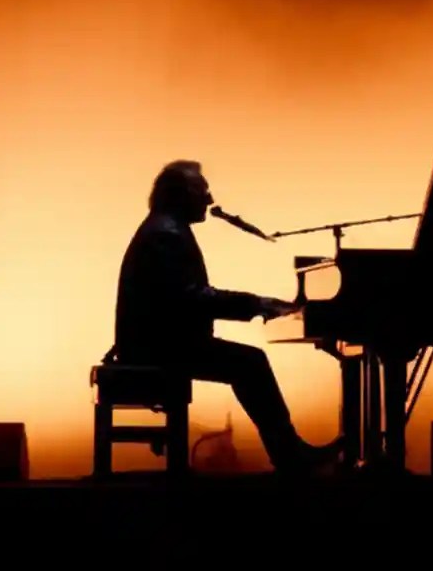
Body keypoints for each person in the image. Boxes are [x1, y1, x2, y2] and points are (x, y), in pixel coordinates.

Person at [111, 159, 339, 473]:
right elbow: (192, 298)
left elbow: (188, 297)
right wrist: (257, 304)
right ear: (179, 194)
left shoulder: (164, 228)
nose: (210, 199)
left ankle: (289, 452)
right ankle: (290, 455)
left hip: (157, 342)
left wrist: (256, 304)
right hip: (159, 347)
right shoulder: (167, 234)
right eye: (202, 191)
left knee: (248, 363)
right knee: (250, 363)